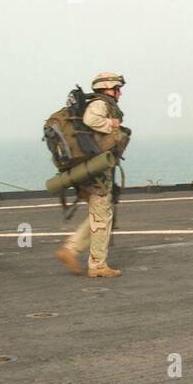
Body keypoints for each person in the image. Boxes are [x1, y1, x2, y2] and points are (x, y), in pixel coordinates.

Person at [55, 72, 127, 278]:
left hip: (93, 168)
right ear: (107, 88)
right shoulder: (100, 104)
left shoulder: (99, 103)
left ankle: (71, 249)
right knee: (102, 215)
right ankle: (97, 265)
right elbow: (91, 119)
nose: (119, 93)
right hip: (96, 172)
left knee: (101, 215)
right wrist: (111, 125)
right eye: (117, 89)